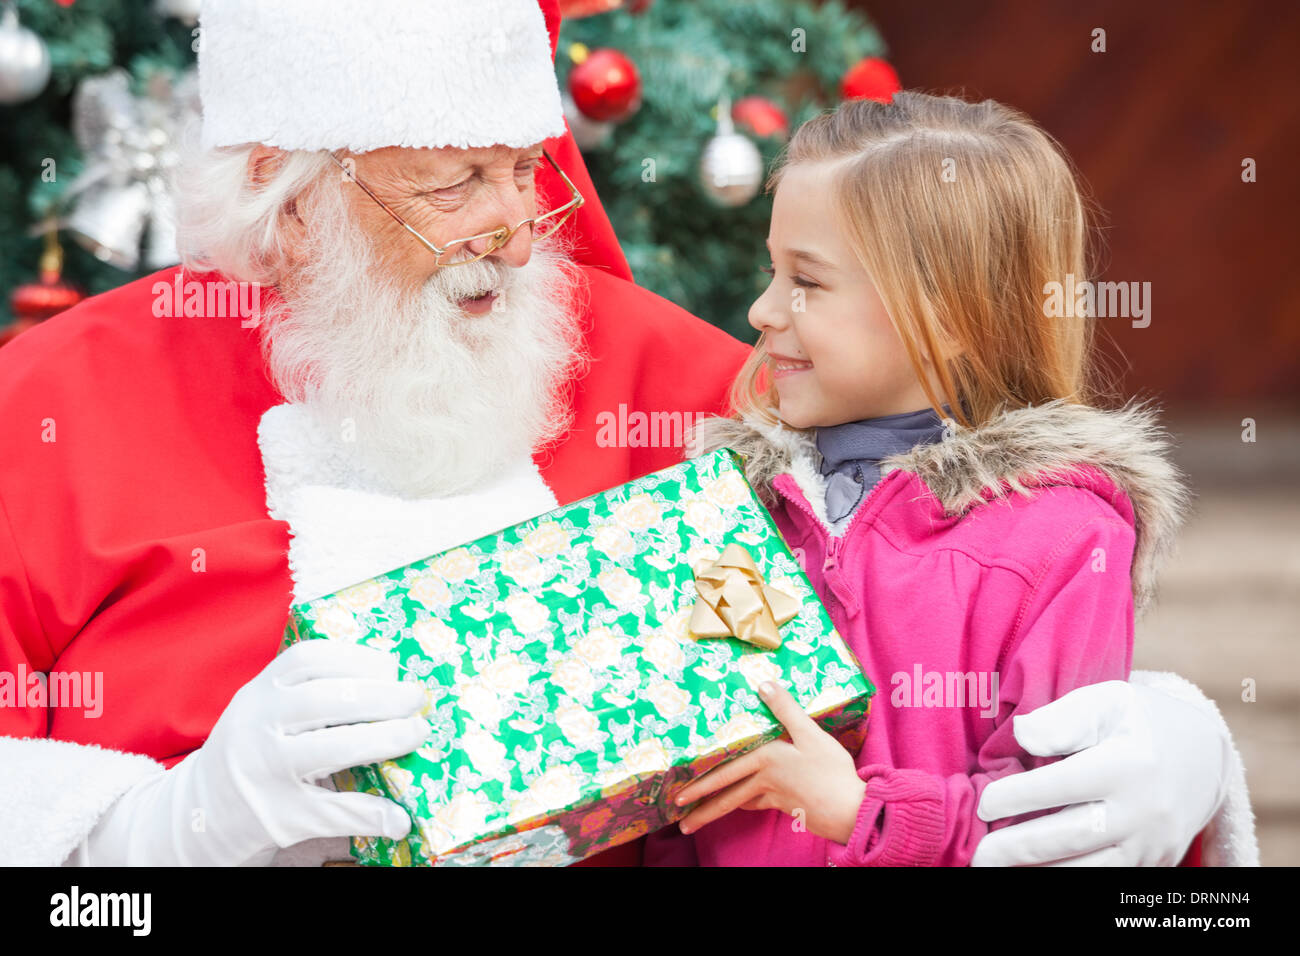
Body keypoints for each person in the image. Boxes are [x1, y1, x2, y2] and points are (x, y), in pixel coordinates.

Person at [0, 1, 1250, 868]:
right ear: (286, 202)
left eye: (524, 166)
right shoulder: (56, 404)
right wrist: (180, 828)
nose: (516, 227)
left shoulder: (678, 376)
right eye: (454, 184)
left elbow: (948, 569)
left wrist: (1168, 744)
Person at [644, 93, 1258, 866]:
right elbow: (672, 806)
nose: (762, 309)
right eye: (772, 269)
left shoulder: (1062, 540)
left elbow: (1056, 830)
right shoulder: (729, 510)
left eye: (808, 281)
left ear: (946, 316)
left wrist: (862, 813)